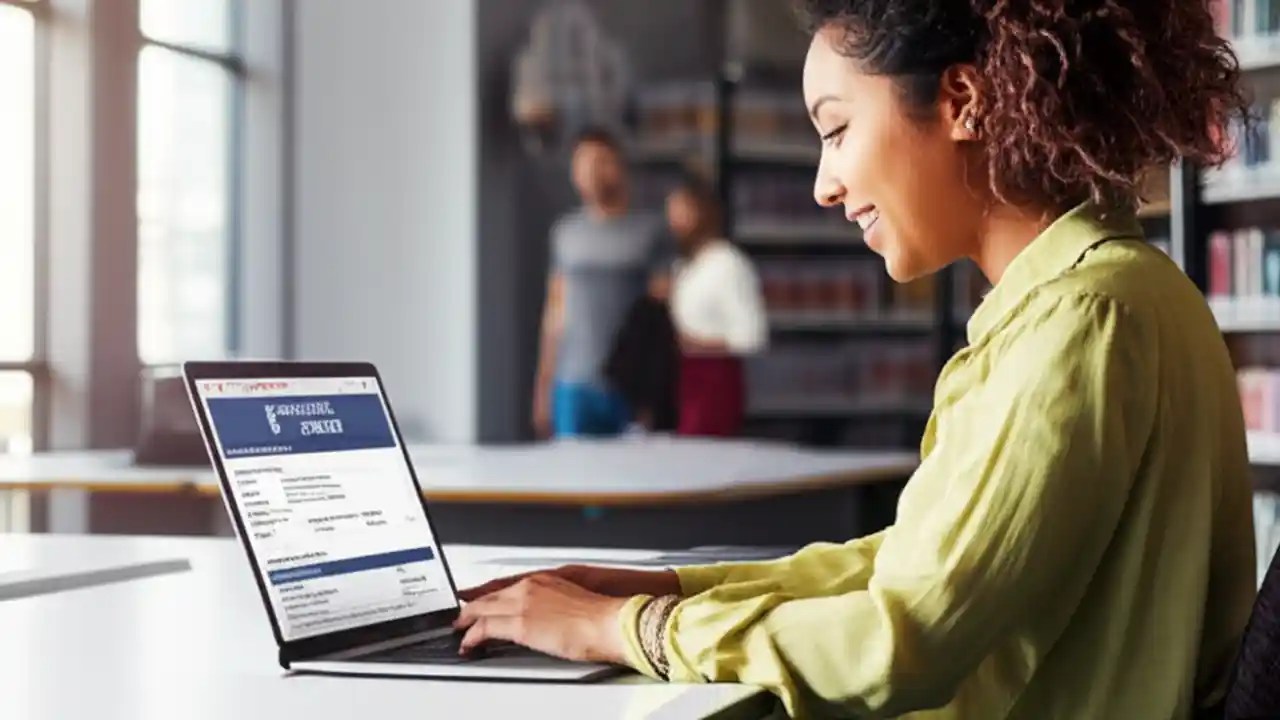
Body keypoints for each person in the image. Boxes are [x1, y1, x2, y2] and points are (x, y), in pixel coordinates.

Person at [460, 2, 1258, 717]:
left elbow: (904, 640)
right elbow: (916, 563)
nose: (823, 186)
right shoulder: (1117, 294)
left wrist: (623, 630)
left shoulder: (1082, 320)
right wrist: (663, 591)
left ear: (962, 103)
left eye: (837, 130)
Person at [533, 128, 672, 439]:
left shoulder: (649, 232)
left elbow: (660, 318)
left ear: (618, 166)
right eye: (581, 165)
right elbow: (555, 314)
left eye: (599, 162)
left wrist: (653, 392)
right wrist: (543, 387)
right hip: (573, 380)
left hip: (627, 384)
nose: (590, 174)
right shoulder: (566, 233)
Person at [665, 176, 767, 437]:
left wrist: (694, 343)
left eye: (681, 211)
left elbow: (751, 337)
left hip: (714, 380)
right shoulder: (685, 266)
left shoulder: (727, 263)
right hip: (684, 379)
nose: (673, 221)